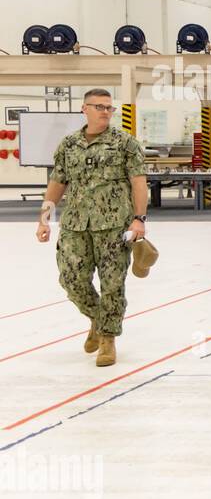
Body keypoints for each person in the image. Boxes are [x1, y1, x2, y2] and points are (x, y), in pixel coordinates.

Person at [35, 88, 148, 368]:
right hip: (75, 224)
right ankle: (98, 320)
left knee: (112, 285)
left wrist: (139, 219)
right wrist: (44, 217)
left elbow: (138, 182)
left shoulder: (125, 143)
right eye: (99, 107)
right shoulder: (69, 144)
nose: (106, 112)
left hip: (113, 226)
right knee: (71, 279)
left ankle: (108, 339)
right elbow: (57, 182)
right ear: (84, 109)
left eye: (109, 108)